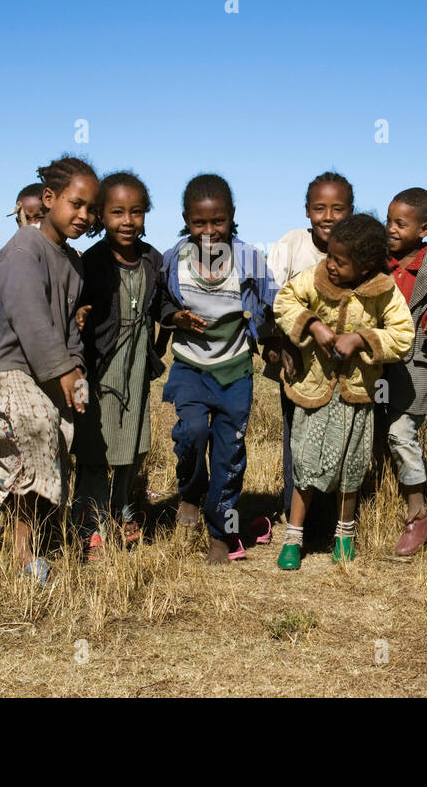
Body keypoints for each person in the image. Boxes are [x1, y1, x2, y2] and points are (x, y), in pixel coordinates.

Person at [0, 157, 97, 583]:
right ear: (49, 199)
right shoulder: (23, 251)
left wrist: (76, 370)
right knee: (38, 421)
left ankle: (22, 550)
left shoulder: (73, 262)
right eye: (75, 204)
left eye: (90, 209)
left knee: (54, 434)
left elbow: (65, 328)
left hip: (33, 365)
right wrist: (62, 371)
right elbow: (31, 319)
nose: (83, 216)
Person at [273, 214, 414, 569]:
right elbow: (285, 302)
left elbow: (402, 335)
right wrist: (314, 325)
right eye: (330, 257)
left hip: (356, 396)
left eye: (340, 261)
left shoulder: (384, 291)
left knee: (351, 469)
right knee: (304, 464)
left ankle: (344, 535)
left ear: (365, 265)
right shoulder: (315, 279)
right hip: (315, 392)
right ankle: (293, 537)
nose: (330, 266)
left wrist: (362, 339)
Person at [159, 173, 278, 564]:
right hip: (191, 366)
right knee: (192, 433)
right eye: (199, 223)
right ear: (185, 219)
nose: (209, 231)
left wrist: (275, 345)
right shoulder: (174, 259)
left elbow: (270, 305)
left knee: (229, 453)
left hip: (235, 369)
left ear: (232, 217)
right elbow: (158, 303)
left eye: (218, 222)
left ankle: (221, 533)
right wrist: (175, 317)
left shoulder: (248, 259)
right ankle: (190, 492)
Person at [72, 172, 167, 559]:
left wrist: (158, 350)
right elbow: (75, 304)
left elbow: (163, 307)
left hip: (137, 364)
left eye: (137, 212)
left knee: (135, 445)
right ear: (101, 216)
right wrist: (80, 313)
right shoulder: (92, 261)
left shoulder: (152, 259)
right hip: (102, 368)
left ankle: (123, 511)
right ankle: (88, 524)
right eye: (117, 212)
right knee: (96, 450)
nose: (127, 221)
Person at [264, 172, 354, 534]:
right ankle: (294, 512)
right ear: (307, 211)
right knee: (297, 435)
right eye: (320, 208)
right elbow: (271, 299)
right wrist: (280, 345)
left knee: (338, 434)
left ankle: (330, 516)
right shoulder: (291, 245)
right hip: (297, 361)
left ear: (351, 211)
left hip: (342, 365)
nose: (328, 217)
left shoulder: (356, 250)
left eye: (338, 209)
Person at [382, 187, 427, 556]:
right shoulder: (377, 260)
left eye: (400, 223)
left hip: (416, 363)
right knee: (373, 434)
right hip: (377, 363)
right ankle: (366, 503)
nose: (391, 228)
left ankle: (418, 510)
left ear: (423, 229)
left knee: (400, 433)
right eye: (389, 220)